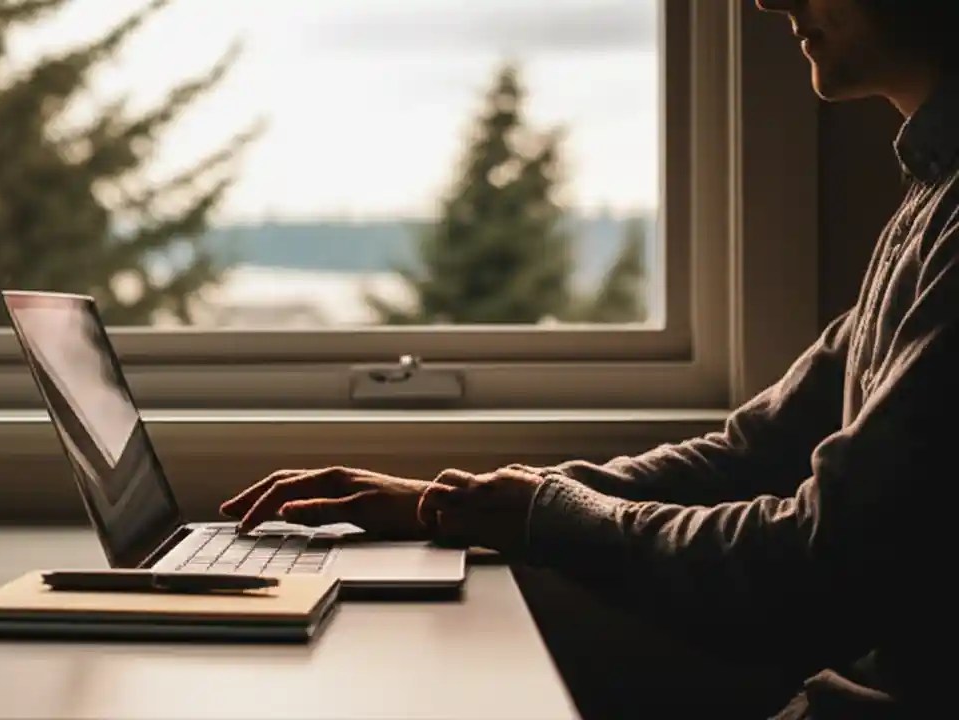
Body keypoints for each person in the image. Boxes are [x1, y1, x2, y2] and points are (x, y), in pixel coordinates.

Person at [220, 1, 959, 717]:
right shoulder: (930, 198)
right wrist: (457, 504)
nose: (767, 0)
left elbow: (821, 567)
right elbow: (754, 454)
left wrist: (547, 516)